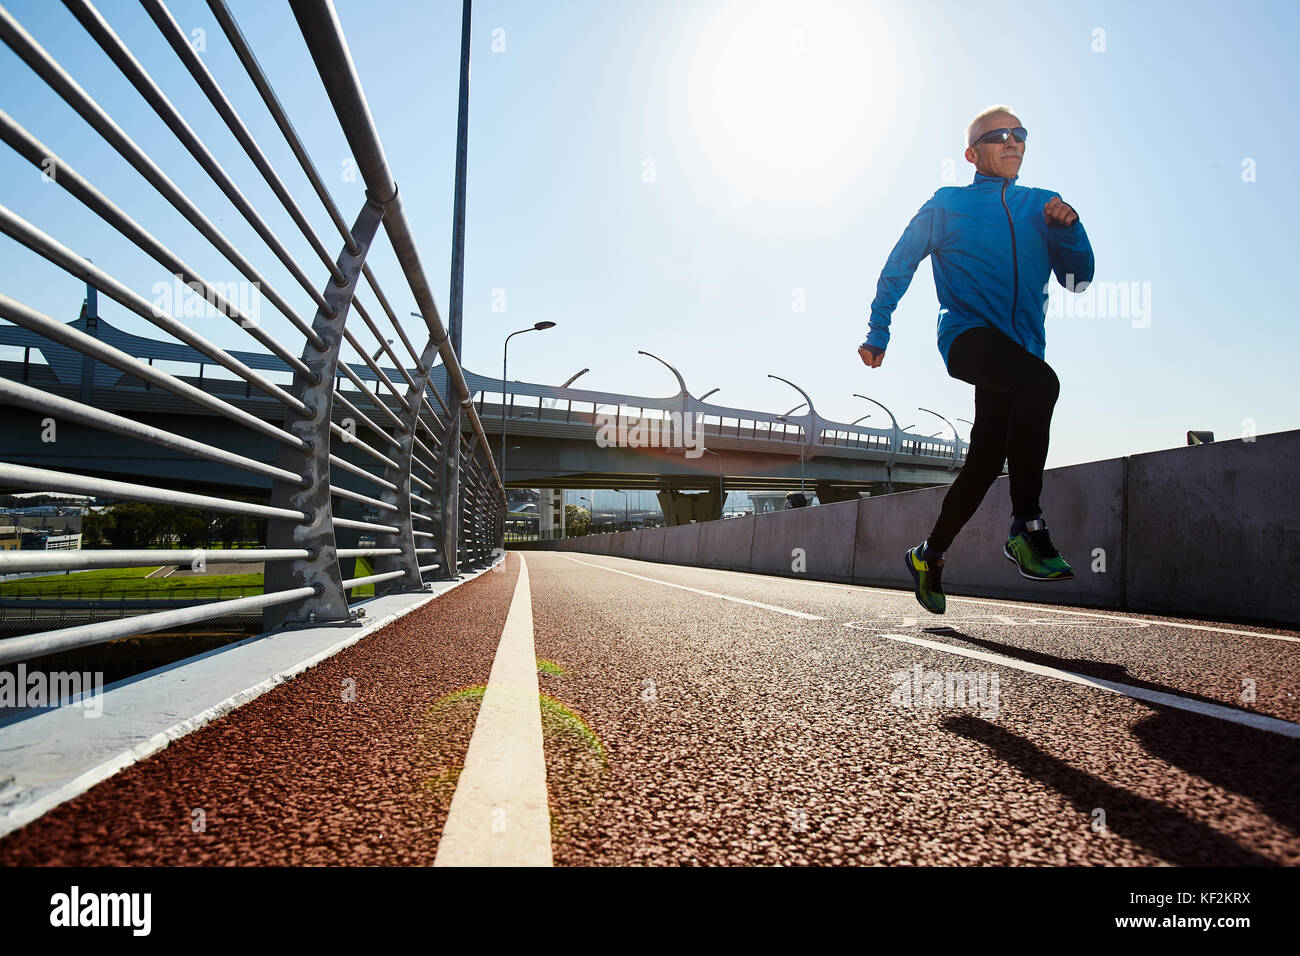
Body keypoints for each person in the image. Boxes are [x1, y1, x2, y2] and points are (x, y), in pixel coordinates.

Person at [858, 105, 1095, 615]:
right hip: (967, 338)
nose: (1012, 142)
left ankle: (929, 554)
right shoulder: (948, 205)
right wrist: (880, 329)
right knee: (1040, 385)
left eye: (1020, 134)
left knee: (986, 462)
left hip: (1019, 353)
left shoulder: (1042, 205)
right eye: (998, 135)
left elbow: (1078, 281)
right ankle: (1027, 527)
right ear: (972, 154)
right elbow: (899, 263)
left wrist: (1071, 228)